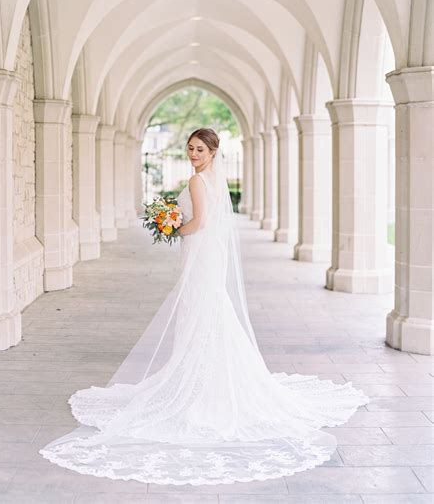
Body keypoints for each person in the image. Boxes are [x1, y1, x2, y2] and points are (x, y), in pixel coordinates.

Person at [40, 127, 370, 485]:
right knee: (208, 312)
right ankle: (211, 374)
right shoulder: (213, 179)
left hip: (199, 255)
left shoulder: (199, 182)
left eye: (199, 149)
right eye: (190, 148)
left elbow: (199, 223)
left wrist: (169, 228)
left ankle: (199, 382)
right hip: (208, 256)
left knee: (199, 311)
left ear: (213, 152)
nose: (193, 154)